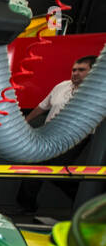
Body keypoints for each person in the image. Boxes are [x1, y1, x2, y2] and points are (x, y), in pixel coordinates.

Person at [19, 55, 96, 212]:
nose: (75, 73)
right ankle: (26, 206)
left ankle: (86, 203)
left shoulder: (98, 94)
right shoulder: (61, 86)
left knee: (54, 168)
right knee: (34, 166)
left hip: (75, 137)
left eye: (81, 70)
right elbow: (42, 107)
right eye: (74, 70)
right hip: (48, 133)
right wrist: (25, 122)